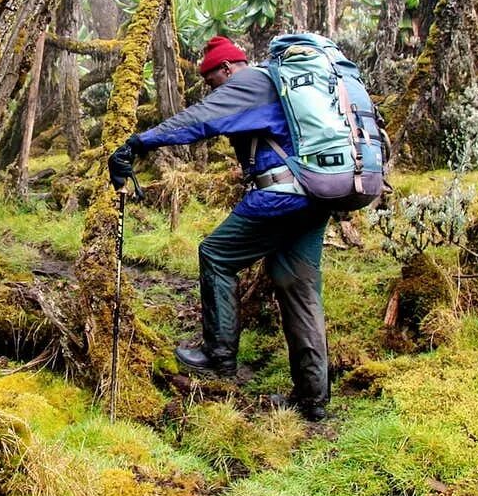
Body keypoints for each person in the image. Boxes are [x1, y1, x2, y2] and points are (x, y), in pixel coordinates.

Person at [108, 36, 331, 421]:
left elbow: (201, 119)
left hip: (281, 195)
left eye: (211, 81)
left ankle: (219, 356)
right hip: (318, 193)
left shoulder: (248, 82)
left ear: (227, 69)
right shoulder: (278, 85)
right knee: (298, 287)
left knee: (216, 254)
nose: (211, 89)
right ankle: (313, 400)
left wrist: (141, 142)